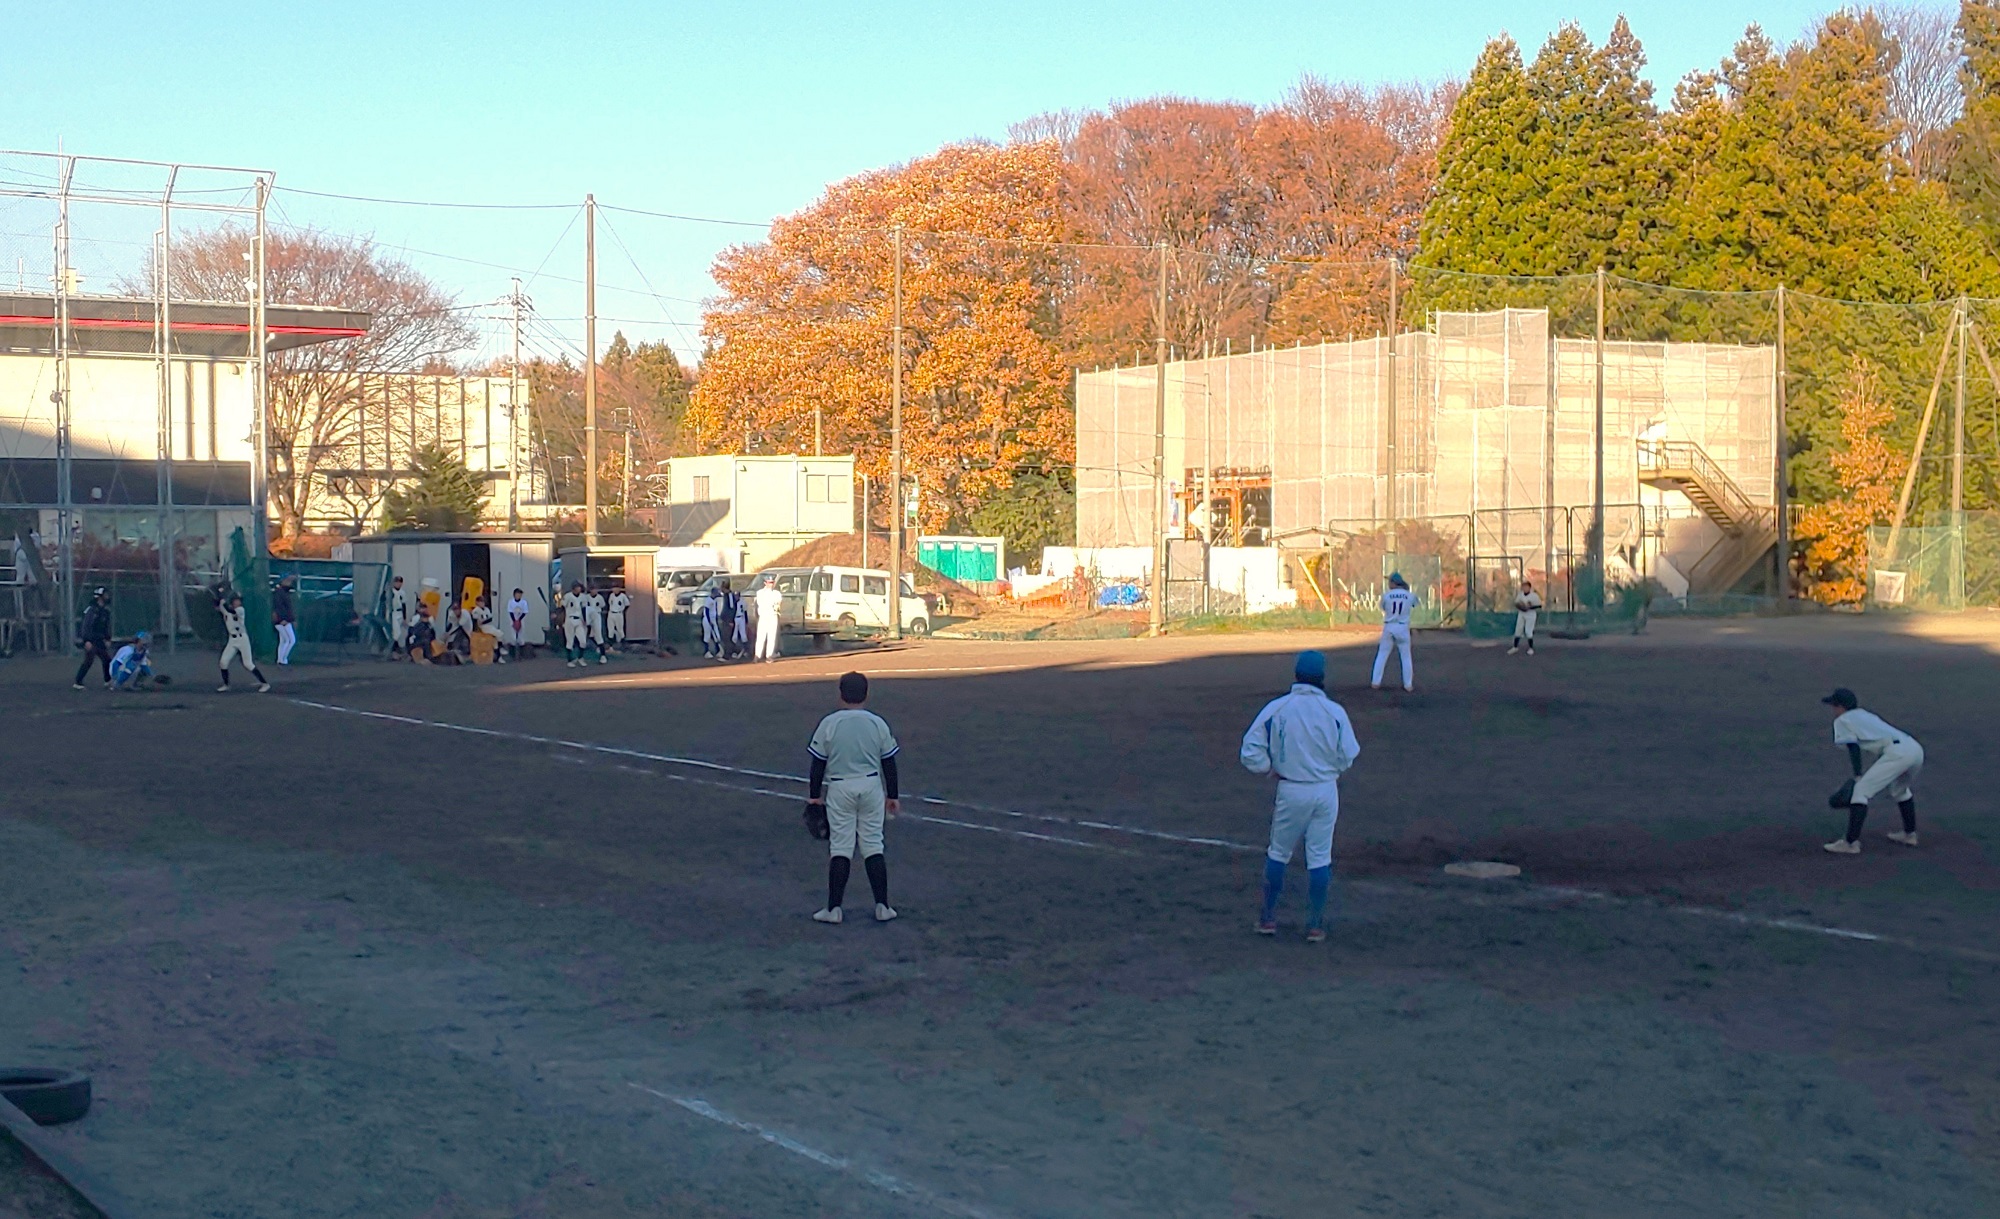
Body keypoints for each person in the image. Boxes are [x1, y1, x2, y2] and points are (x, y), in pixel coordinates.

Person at [1240, 651, 1360, 941]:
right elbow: (1348, 755)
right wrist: (1329, 770)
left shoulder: (1277, 708)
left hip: (1291, 788)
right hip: (1325, 790)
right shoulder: (1335, 712)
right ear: (1322, 677)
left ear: (1296, 674)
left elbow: (1249, 750)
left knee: (1279, 852)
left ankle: (1268, 919)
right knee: (1319, 856)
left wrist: (1269, 769)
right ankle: (1316, 925)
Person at [806, 671, 901, 924]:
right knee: (873, 845)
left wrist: (814, 797)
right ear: (866, 694)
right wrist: (893, 795)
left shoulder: (829, 723)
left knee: (840, 847)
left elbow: (817, 764)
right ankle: (883, 907)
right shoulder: (877, 723)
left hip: (840, 787)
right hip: (871, 786)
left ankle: (834, 909)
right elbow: (889, 762)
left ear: (840, 694)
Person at [1822, 688, 1924, 854]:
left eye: (1834, 706)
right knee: (1900, 790)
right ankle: (1909, 835)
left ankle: (1849, 843)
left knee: (1860, 792)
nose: (1833, 710)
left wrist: (1857, 775)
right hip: (1914, 749)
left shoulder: (1842, 720)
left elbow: (1853, 747)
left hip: (1897, 753)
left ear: (1840, 707)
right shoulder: (1864, 714)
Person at [215, 590, 270, 693]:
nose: (238, 602)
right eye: (236, 600)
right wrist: (220, 596)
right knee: (223, 662)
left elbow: (229, 609)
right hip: (232, 639)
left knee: (248, 664)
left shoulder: (240, 610)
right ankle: (226, 685)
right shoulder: (226, 611)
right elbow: (218, 605)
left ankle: (265, 683)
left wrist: (223, 602)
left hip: (242, 639)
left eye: (239, 600)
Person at [1371, 572, 1416, 692]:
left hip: (1389, 626)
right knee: (1406, 657)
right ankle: (1408, 685)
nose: (1388, 583)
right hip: (1403, 627)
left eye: (1390, 581)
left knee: (1382, 655)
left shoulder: (1387, 595)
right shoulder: (1409, 595)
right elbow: (1415, 604)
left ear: (1394, 583)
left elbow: (1383, 607)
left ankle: (1376, 682)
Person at [73, 586, 113, 690]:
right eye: (105, 595)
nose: (107, 597)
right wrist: (86, 640)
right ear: (99, 597)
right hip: (92, 640)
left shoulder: (105, 611)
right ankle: (78, 682)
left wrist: (107, 638)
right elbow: (86, 625)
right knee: (88, 661)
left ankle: (108, 681)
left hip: (100, 640)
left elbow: (106, 627)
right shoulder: (91, 610)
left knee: (107, 660)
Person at [754, 574, 784, 663]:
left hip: (773, 616)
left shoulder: (776, 593)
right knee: (760, 637)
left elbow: (778, 604)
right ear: (765, 583)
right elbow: (758, 605)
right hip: (763, 616)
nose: (770, 584)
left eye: (772, 582)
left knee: (772, 636)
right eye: (769, 582)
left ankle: (769, 655)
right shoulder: (760, 593)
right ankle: (757, 655)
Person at [1509, 580, 1542, 656]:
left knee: (1528, 631)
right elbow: (1517, 603)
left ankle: (1531, 648)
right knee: (1518, 630)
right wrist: (1521, 607)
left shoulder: (1534, 595)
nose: (1524, 588)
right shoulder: (1520, 595)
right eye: (1523, 587)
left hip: (1531, 614)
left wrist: (1529, 607)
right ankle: (1515, 647)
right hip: (1522, 614)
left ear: (1529, 588)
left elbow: (1539, 605)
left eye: (1526, 587)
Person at [563, 581, 591, 667]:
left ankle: (580, 657)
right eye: (577, 587)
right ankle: (570, 660)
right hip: (569, 619)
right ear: (574, 588)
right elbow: (562, 607)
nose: (579, 589)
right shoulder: (567, 596)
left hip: (579, 620)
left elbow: (584, 609)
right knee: (570, 641)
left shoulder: (583, 597)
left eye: (579, 587)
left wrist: (585, 620)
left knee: (583, 641)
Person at [385, 576, 412, 661]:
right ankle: (390, 650)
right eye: (396, 582)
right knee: (396, 633)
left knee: (401, 634)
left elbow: (404, 605)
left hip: (400, 612)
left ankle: (398, 651)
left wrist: (404, 618)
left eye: (400, 582)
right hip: (393, 612)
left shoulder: (402, 592)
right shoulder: (390, 592)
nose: (398, 584)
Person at [273, 574, 298, 666]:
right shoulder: (280, 593)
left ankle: (281, 659)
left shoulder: (282, 592)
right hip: (283, 620)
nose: (289, 583)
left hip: (283, 620)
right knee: (290, 640)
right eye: (288, 581)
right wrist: (284, 619)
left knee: (284, 640)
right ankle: (283, 659)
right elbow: (280, 607)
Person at [584, 583, 608, 664]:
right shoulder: (586, 597)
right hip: (588, 616)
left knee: (598, 635)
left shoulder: (599, 597)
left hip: (596, 615)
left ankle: (603, 655)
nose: (594, 591)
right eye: (592, 589)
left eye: (595, 589)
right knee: (590, 636)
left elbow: (603, 605)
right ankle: (598, 648)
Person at [506, 587, 530, 661]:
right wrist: (514, 621)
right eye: (517, 594)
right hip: (513, 620)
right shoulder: (511, 602)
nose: (518, 596)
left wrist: (519, 620)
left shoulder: (523, 602)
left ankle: (521, 654)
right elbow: (510, 612)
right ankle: (513, 654)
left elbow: (525, 612)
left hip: (521, 620)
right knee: (513, 637)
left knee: (520, 637)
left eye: (520, 594)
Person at [607, 586, 631, 654]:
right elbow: (609, 603)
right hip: (611, 613)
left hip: (619, 613)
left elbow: (627, 604)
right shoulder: (611, 595)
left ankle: (624, 646)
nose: (614, 590)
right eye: (613, 588)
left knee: (620, 630)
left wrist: (623, 611)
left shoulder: (622, 596)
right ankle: (610, 647)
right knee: (610, 630)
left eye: (616, 588)